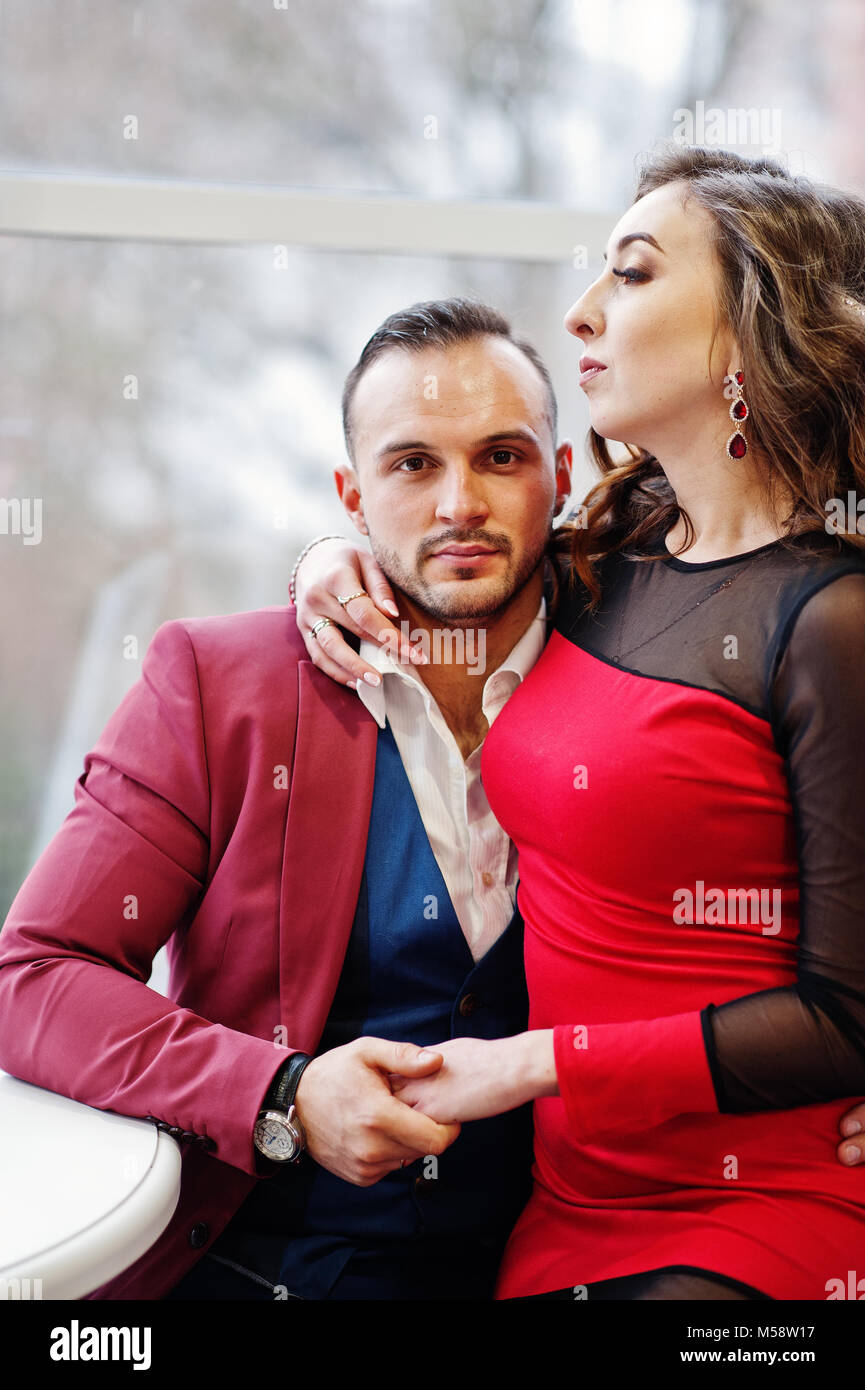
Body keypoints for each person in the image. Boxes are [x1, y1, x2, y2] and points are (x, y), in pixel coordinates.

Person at [290, 145, 865, 1300]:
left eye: (635, 274)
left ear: (747, 328)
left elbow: (847, 1013)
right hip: (572, 1198)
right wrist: (327, 557)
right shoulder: (612, 556)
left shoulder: (834, 620)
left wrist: (527, 1065)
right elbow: (454, 548)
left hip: (763, 1203)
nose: (582, 309)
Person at [0, 297, 577, 1301]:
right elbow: (35, 976)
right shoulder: (219, 686)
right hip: (268, 1261)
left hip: (577, 1260)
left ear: (560, 476)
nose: (458, 504)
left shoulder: (649, 670)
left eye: (500, 456)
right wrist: (283, 1092)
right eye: (412, 464)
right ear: (352, 494)